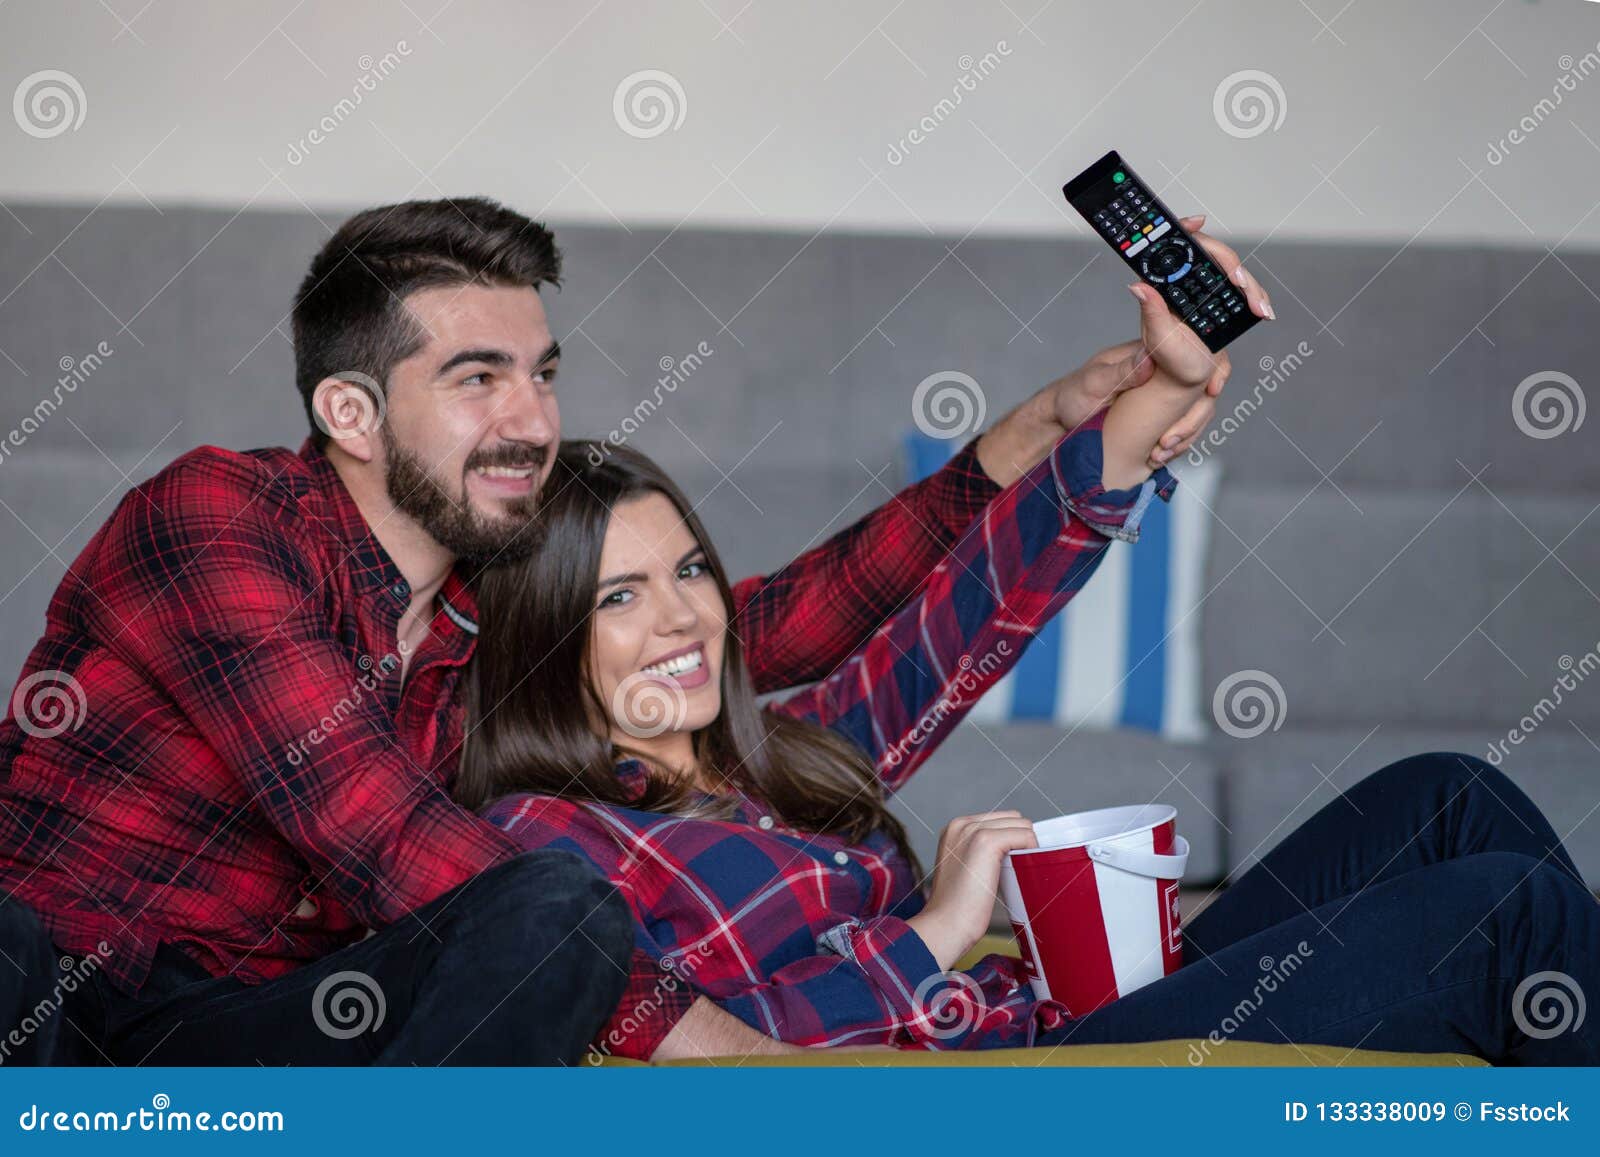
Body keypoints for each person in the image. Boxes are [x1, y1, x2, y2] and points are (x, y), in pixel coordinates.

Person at [0, 196, 1224, 1065]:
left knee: (556, 911)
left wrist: (1036, 432)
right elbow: (372, 833)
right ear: (351, 411)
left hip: (271, 1024)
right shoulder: (217, 517)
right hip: (69, 1007)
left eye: (542, 371)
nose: (531, 418)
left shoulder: (486, 604)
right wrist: (764, 1066)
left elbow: (774, 625)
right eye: (478, 378)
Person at [458, 286, 1599, 1066]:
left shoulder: (763, 752)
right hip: (1017, 1078)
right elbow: (704, 1052)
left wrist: (1132, 418)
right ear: (542, 638)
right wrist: (937, 930)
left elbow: (963, 626)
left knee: (1451, 795)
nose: (684, 615)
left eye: (691, 567)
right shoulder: (550, 844)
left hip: (1056, 1008)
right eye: (618, 595)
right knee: (1510, 911)